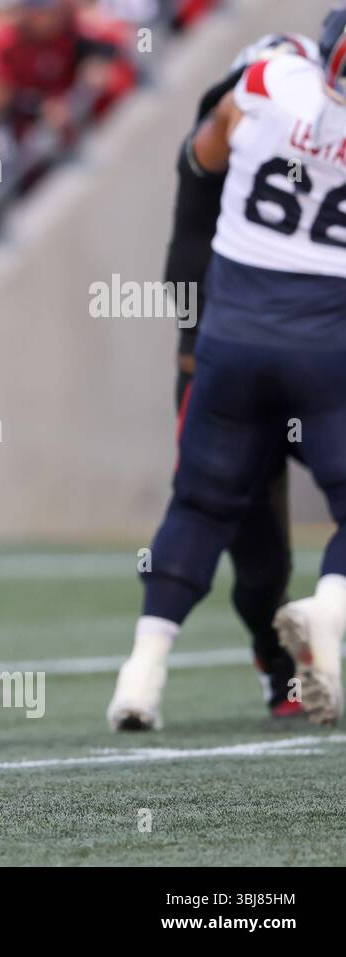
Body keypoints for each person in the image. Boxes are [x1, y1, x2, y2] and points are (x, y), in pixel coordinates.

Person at [107, 10, 346, 730]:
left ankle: (143, 670)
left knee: (200, 505)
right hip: (322, 349)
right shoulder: (274, 75)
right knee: (266, 548)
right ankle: (320, 624)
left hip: (231, 341)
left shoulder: (266, 82)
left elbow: (206, 153)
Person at [157, 32, 319, 720]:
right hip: (232, 368)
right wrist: (200, 364)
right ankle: (273, 656)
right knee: (258, 558)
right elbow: (184, 267)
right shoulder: (211, 158)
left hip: (321, 358)